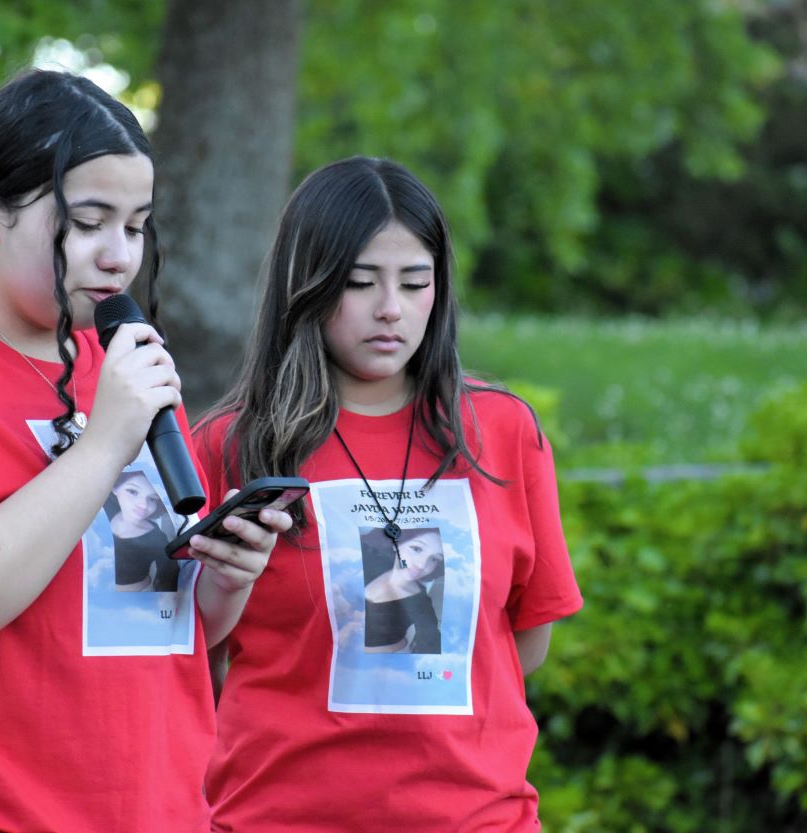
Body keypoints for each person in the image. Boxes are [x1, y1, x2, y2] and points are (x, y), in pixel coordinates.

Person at [0, 69, 290, 833]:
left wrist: (225, 580)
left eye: (135, 226)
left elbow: (148, 617)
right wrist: (101, 445)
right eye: (89, 221)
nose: (117, 257)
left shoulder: (121, 371)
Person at [195, 156, 583, 832]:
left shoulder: (502, 430)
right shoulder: (231, 446)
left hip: (477, 816)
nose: (391, 310)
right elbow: (192, 652)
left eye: (414, 281)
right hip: (275, 814)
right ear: (306, 285)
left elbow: (525, 641)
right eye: (360, 282)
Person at [362, 525, 443, 654]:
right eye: (416, 549)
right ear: (396, 544)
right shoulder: (370, 563)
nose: (422, 565)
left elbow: (431, 641)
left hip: (391, 662)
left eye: (434, 559)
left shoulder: (421, 602)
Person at [108, 469, 180, 591]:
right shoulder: (105, 510)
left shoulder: (157, 537)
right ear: (115, 488)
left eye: (152, 499)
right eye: (133, 491)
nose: (143, 505)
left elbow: (169, 574)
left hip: (136, 598)